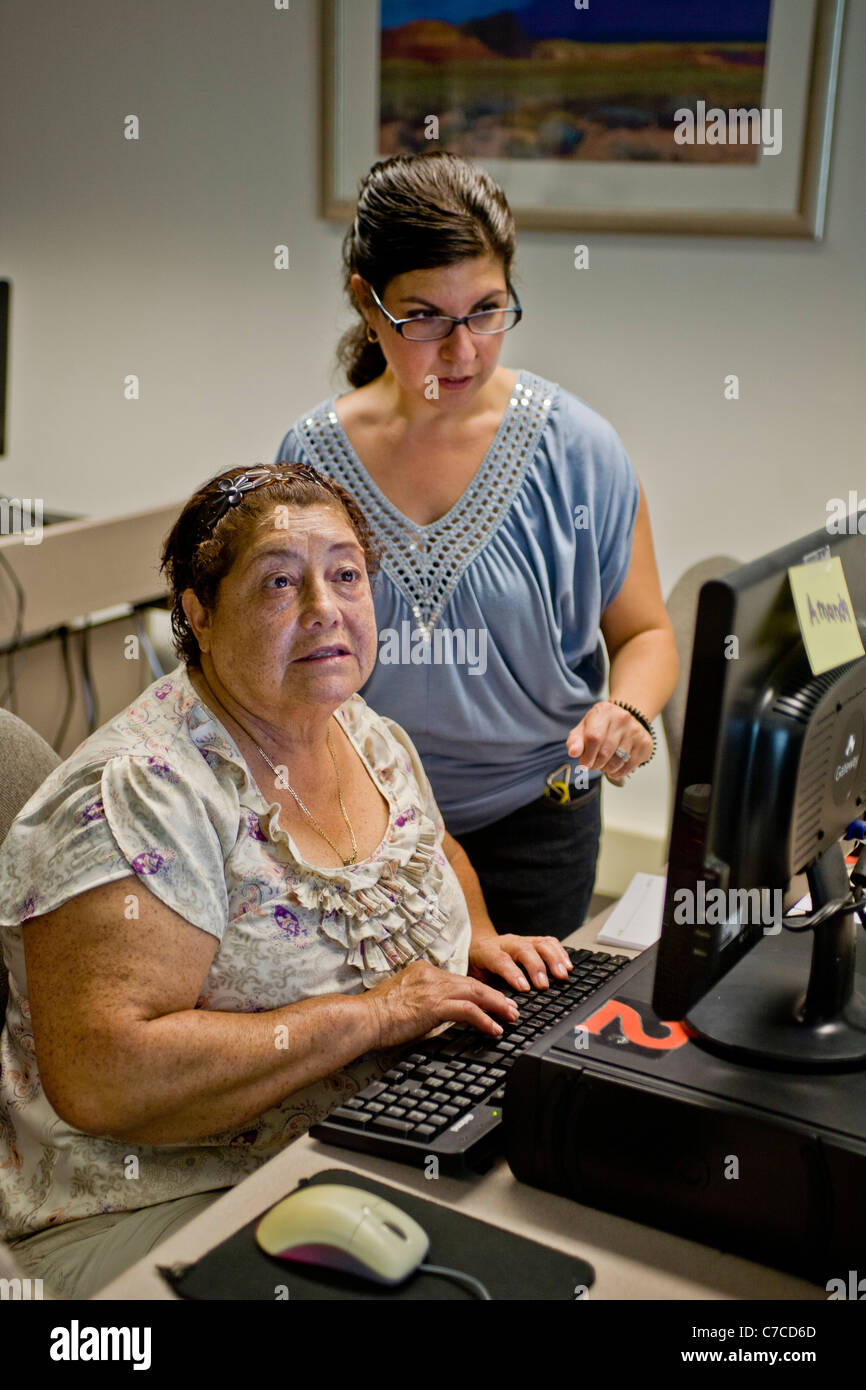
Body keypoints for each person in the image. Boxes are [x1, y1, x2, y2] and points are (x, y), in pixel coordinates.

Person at [0, 462, 571, 1299]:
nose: (325, 610)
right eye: (278, 583)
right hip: (159, 1200)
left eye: (346, 576)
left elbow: (434, 849)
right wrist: (372, 1017)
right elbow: (104, 1075)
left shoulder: (355, 726)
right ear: (198, 612)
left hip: (369, 1139)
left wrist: (475, 940)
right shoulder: (138, 795)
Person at [277, 152, 679, 940]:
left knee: (510, 1051)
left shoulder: (577, 449)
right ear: (367, 303)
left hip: (535, 824)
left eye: (488, 311)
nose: (462, 351)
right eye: (424, 317)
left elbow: (647, 633)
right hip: (363, 826)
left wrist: (626, 709)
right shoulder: (313, 458)